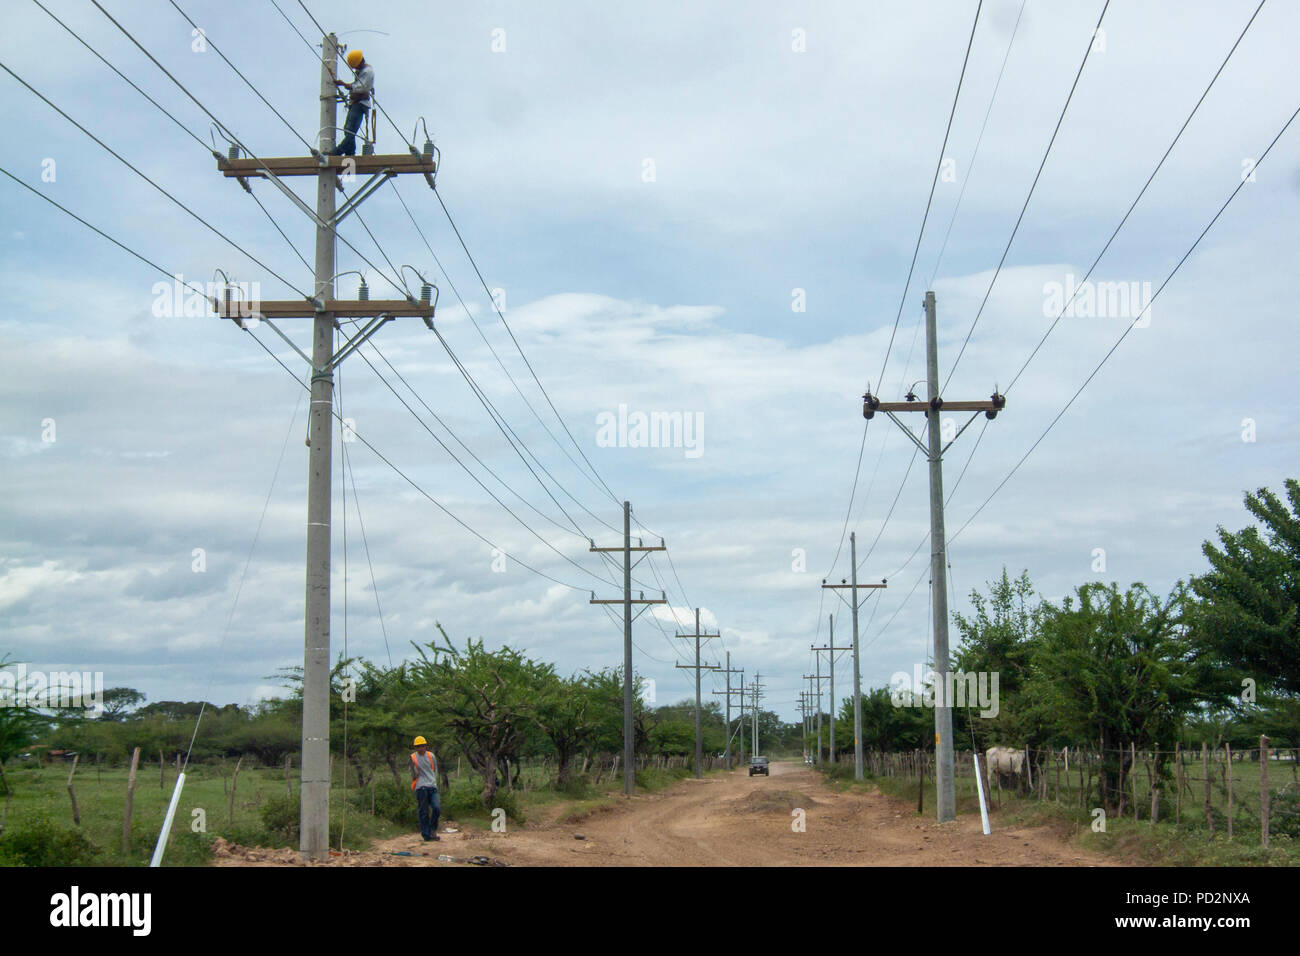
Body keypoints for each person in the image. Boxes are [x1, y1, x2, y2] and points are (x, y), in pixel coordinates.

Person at [330, 48, 374, 156]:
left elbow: (360, 88)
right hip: (356, 102)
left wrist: (344, 84)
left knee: (350, 130)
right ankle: (350, 152)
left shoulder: (368, 72)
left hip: (360, 104)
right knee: (348, 128)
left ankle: (338, 151)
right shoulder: (362, 70)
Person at [409, 735, 441, 841]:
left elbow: (434, 769)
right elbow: (413, 774)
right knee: (424, 812)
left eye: (422, 746)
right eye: (418, 746)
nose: (420, 748)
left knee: (437, 808)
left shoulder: (431, 756)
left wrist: (433, 781)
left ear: (425, 746)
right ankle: (426, 835)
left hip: (432, 786)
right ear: (415, 748)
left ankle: (432, 830)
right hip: (420, 787)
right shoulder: (413, 758)